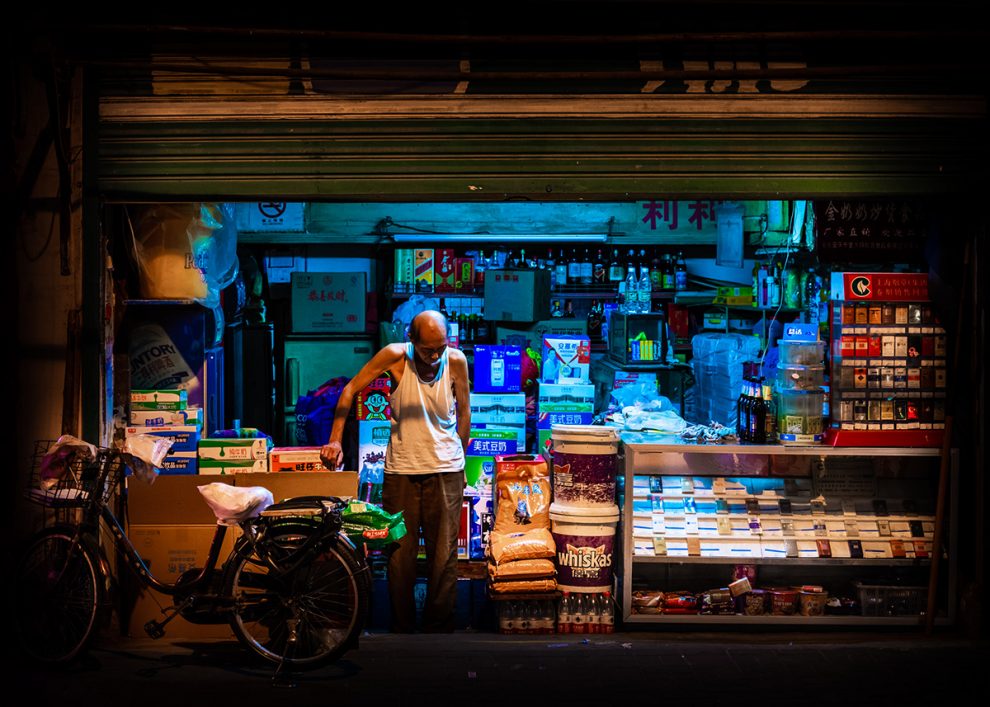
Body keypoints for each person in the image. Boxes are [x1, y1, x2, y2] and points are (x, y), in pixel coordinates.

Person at [320, 310, 471, 633]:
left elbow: (465, 412)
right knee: (399, 556)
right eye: (427, 349)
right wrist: (335, 440)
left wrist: (460, 457)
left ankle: (439, 629)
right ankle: (402, 628)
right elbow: (350, 391)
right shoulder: (396, 357)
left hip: (446, 470)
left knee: (443, 557)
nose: (434, 357)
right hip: (401, 470)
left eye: (440, 348)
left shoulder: (456, 361)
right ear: (411, 340)